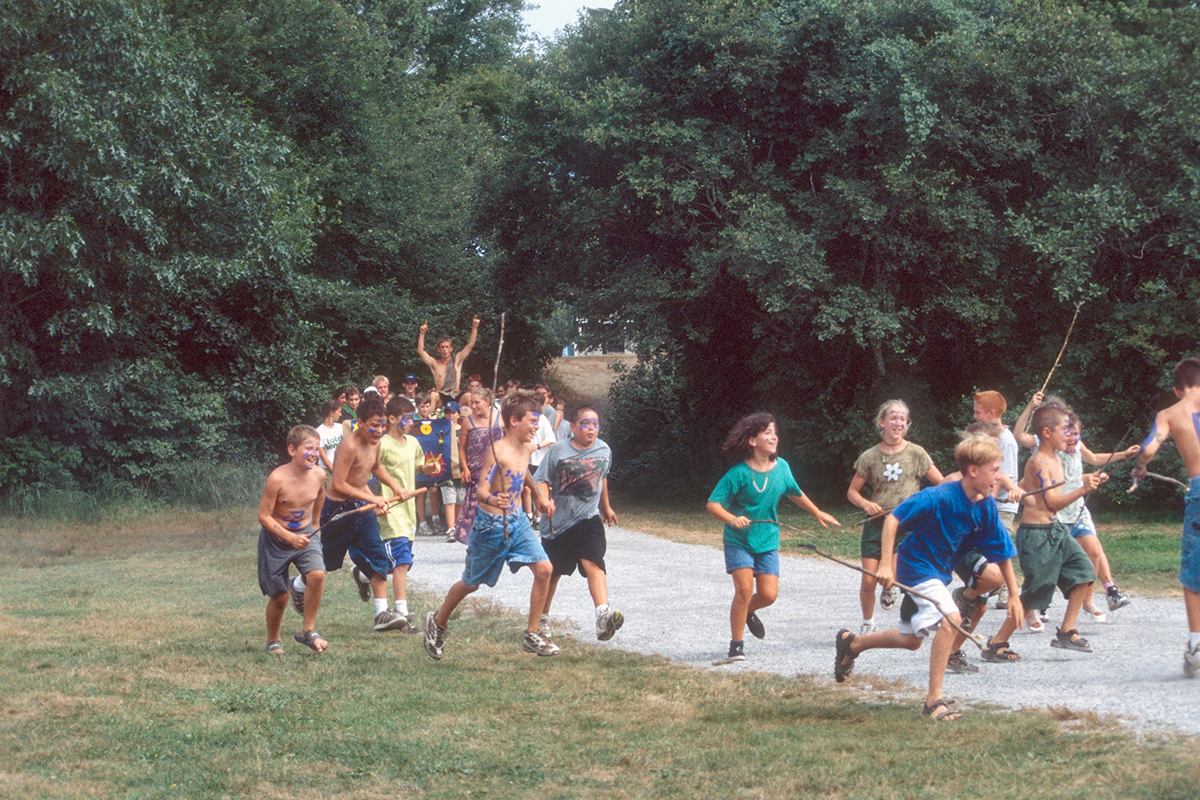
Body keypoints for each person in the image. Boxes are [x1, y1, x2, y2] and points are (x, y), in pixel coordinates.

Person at [834, 434, 1022, 722]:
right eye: (995, 469)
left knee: (911, 640)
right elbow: (893, 519)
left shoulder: (984, 505)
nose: (1000, 476)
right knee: (951, 618)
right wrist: (886, 564)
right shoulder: (940, 496)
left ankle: (852, 644)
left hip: (938, 573)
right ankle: (933, 701)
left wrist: (1014, 595)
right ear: (973, 470)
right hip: (915, 566)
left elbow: (1002, 550)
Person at [423, 390, 558, 659]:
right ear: (513, 421)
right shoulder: (496, 451)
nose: (537, 428)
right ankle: (438, 621)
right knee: (472, 582)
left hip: (518, 521)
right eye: (533, 422)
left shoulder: (528, 446)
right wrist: (495, 498)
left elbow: (522, 473)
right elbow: (481, 488)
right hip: (490, 525)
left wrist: (540, 497)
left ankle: (532, 634)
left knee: (544, 569)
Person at [706, 412, 840, 663]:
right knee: (744, 591)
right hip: (739, 540)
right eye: (767, 432)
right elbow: (713, 504)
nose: (773, 436)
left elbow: (795, 492)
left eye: (774, 432)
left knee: (768, 595)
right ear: (752, 441)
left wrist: (816, 511)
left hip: (767, 540)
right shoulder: (739, 473)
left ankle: (748, 612)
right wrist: (732, 519)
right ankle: (736, 646)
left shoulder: (783, 468)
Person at [984, 402, 1104, 659]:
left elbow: (1058, 487)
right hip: (1036, 535)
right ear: (1047, 433)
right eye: (1066, 429)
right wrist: (1084, 490)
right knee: (1037, 590)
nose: (1071, 435)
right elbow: (1052, 502)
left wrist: (1088, 480)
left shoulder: (1057, 459)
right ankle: (997, 642)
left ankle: (1066, 631)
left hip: (1056, 530)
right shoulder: (1039, 461)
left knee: (1084, 571)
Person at [1012, 392, 1139, 625]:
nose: (1073, 438)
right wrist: (1030, 406)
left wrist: (1123, 455)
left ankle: (1084, 607)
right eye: (1068, 432)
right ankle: (1027, 609)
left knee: (1090, 553)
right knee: (1044, 570)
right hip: (1054, 514)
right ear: (1053, 433)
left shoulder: (1072, 447)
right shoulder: (1045, 451)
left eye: (1076, 433)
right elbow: (1020, 437)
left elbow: (1090, 462)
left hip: (1077, 510)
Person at [296, 395, 415, 632]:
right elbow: (338, 484)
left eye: (382, 425)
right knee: (326, 563)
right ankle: (298, 585)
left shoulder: (376, 442)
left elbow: (376, 467)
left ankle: (382, 614)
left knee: (378, 556)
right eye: (374, 425)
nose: (379, 431)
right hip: (339, 509)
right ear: (360, 422)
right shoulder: (349, 445)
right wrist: (373, 498)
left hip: (363, 510)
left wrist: (395, 487)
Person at [846, 400, 944, 634]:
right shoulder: (869, 456)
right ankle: (868, 622)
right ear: (882, 422)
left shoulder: (917, 453)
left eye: (903, 419)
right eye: (893, 418)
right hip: (876, 523)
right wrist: (866, 503)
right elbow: (852, 492)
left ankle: (911, 608)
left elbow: (940, 484)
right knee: (869, 580)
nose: (898, 423)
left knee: (896, 573)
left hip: (907, 523)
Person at [1132, 357, 1200, 676]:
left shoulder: (1170, 414)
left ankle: (1196, 644)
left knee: (1194, 571)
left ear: (1177, 389)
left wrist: (1141, 465)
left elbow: (1148, 449)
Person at [534, 405, 623, 642]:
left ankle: (603, 616)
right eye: (585, 423)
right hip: (557, 523)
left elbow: (602, 478)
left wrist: (605, 507)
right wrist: (543, 499)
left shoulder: (604, 449)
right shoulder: (558, 451)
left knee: (593, 561)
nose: (591, 428)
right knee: (552, 574)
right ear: (573, 427)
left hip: (587, 519)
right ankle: (542, 619)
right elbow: (540, 480)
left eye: (595, 424)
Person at [258, 425, 328, 654]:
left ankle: (308, 630)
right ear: (292, 450)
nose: (314, 453)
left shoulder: (319, 474)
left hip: (306, 533)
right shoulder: (277, 478)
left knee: (317, 574)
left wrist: (315, 525)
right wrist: (289, 537)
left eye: (317, 449)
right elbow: (264, 516)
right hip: (277, 538)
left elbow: (319, 496)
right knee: (280, 596)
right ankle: (273, 641)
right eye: (309, 448)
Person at [377, 396, 437, 632]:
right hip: (390, 510)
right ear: (391, 419)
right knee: (402, 561)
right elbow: (371, 468)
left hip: (409, 511)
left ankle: (363, 572)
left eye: (412, 417)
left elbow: (417, 464)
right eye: (406, 418)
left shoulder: (412, 442)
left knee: (399, 562)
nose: (411, 422)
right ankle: (403, 615)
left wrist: (427, 467)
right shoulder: (381, 444)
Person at [973, 390, 1025, 610]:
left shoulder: (1006, 440)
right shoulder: (986, 435)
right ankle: (989, 584)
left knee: (1000, 543)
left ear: (991, 413)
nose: (975, 416)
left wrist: (991, 497)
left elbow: (1008, 477)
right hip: (988, 500)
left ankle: (1006, 589)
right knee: (985, 543)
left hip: (1002, 504)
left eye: (978, 412)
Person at [455, 388, 503, 545]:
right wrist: (465, 468)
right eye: (471, 403)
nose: (473, 406)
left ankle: (494, 540)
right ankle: (473, 541)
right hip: (476, 471)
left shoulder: (501, 418)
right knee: (475, 508)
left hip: (496, 471)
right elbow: (462, 447)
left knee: (495, 505)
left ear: (488, 402)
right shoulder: (468, 421)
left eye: (477, 403)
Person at [417, 316, 480, 406]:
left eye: (447, 347)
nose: (445, 349)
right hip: (441, 397)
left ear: (451, 348)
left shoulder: (457, 360)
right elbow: (420, 351)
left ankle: (472, 419)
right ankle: (429, 419)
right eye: (442, 347)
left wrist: (474, 327)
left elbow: (470, 345)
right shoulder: (435, 363)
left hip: (456, 395)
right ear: (438, 349)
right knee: (433, 395)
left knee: (468, 396)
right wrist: (422, 334)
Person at [440, 401, 465, 543]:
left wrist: (466, 469)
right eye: (448, 412)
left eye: (453, 413)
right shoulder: (441, 429)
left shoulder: (463, 429)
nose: (450, 415)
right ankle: (450, 529)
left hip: (461, 469)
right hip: (446, 469)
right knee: (449, 499)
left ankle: (457, 525)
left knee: (460, 499)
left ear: (458, 414)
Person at [316, 399, 343, 473]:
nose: (340, 414)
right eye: (339, 412)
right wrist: (333, 470)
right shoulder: (319, 431)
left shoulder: (340, 427)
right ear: (332, 413)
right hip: (326, 469)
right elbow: (322, 455)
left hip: (341, 467)